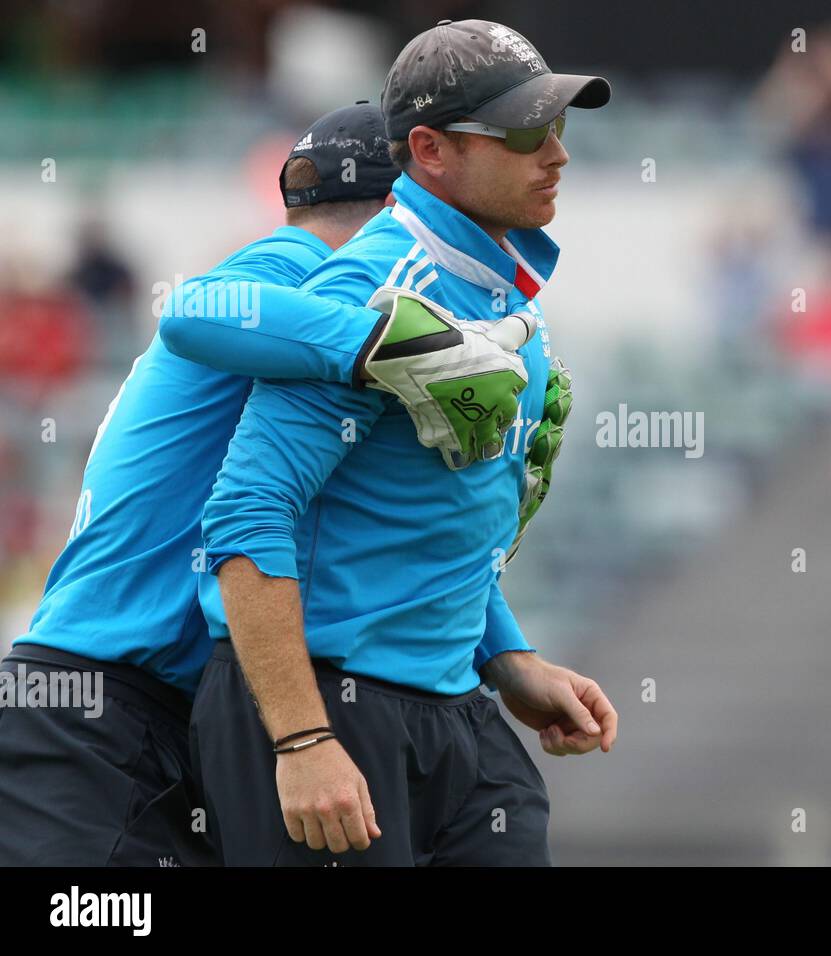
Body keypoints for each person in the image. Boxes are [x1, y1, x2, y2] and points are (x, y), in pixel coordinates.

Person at [0, 101, 521, 865]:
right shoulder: (303, 269)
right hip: (97, 709)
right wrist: (387, 342)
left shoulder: (301, 292)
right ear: (397, 207)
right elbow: (192, 308)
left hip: (148, 710)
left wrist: (503, 649)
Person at [189, 19, 618, 866]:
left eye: (561, 127)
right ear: (429, 149)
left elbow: (438, 511)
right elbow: (245, 515)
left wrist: (507, 655)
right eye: (528, 131)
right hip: (329, 706)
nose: (557, 154)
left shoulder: (492, 285)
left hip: (455, 705)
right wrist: (303, 741)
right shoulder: (375, 288)